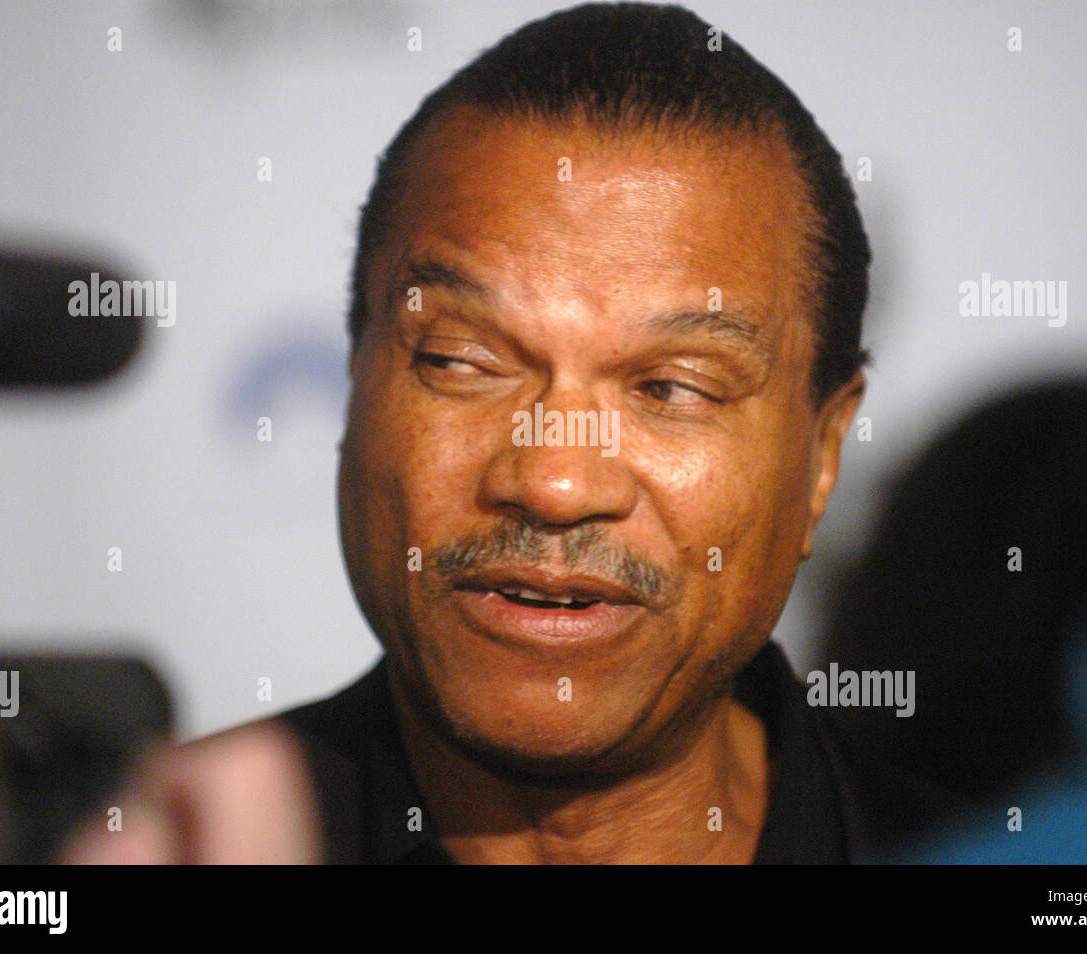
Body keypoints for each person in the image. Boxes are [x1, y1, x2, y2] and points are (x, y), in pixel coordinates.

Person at [68, 1, 949, 865]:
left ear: (824, 455)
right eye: (459, 361)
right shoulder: (184, 846)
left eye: (671, 388)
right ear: (354, 375)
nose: (556, 482)